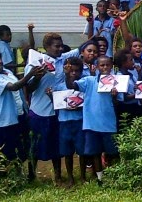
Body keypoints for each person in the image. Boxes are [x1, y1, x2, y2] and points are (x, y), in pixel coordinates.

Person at [25, 33, 81, 182]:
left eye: (61, 46)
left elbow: (81, 48)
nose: (60, 49)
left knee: (56, 145)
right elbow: (28, 89)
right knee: (34, 144)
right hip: (38, 111)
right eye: (57, 46)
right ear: (47, 47)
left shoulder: (63, 61)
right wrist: (38, 76)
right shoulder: (34, 63)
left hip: (56, 111)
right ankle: (31, 174)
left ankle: (58, 175)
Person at [65, 54, 121, 185]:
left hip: (108, 123)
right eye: (102, 65)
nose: (105, 67)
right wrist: (68, 75)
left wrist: (114, 96)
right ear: (96, 67)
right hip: (92, 123)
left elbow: (118, 104)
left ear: (112, 67)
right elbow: (71, 86)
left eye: (108, 65)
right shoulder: (89, 81)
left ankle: (113, 176)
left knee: (111, 152)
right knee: (95, 152)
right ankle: (100, 178)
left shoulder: (116, 82)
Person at [0, 49, 43, 165]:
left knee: (22, 147)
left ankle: (23, 175)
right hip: (3, 121)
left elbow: (20, 88)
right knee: (2, 152)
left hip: (18, 115)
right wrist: (30, 73)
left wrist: (36, 76)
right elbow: (14, 87)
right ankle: (4, 177)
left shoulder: (6, 72)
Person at [48, 57, 88, 186]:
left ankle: (83, 176)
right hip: (64, 122)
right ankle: (70, 177)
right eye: (71, 71)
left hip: (80, 121)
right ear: (65, 70)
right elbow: (57, 103)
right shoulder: (59, 86)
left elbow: (87, 101)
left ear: (81, 72)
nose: (74, 73)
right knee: (67, 152)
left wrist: (80, 104)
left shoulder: (83, 84)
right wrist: (50, 96)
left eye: (76, 71)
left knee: (82, 151)